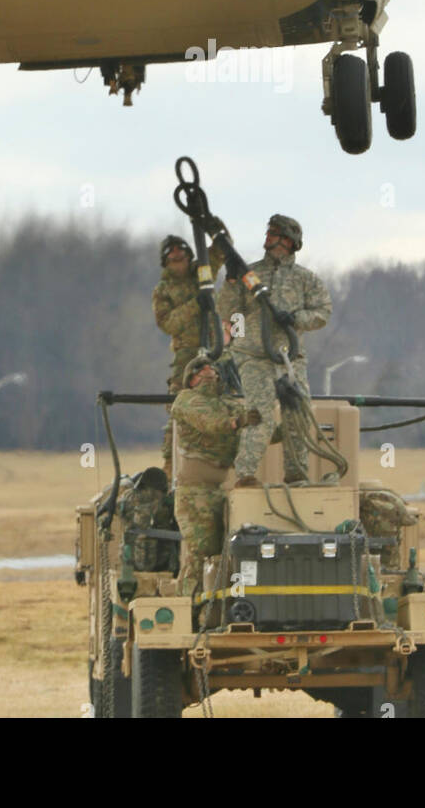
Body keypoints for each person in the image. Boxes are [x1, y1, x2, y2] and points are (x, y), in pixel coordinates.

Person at [218, 214, 331, 487]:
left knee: (297, 415)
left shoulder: (306, 279)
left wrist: (294, 319)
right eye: (267, 232)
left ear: (289, 241)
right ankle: (245, 475)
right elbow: (230, 312)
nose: (267, 238)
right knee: (261, 416)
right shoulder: (250, 275)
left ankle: (296, 475)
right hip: (254, 358)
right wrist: (240, 343)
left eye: (274, 233)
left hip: (290, 358)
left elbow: (322, 313)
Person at [171, 355, 260, 595]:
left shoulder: (228, 404)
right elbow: (210, 422)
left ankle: (215, 605)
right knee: (200, 554)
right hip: (195, 493)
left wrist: (273, 426)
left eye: (213, 369)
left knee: (223, 554)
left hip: (218, 490)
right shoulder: (187, 401)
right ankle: (190, 608)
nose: (210, 373)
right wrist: (238, 421)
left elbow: (255, 430)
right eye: (202, 371)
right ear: (192, 380)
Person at [152, 232, 226, 480]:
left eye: (181, 253)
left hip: (216, 347)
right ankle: (170, 464)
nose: (177, 258)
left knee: (228, 398)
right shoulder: (163, 290)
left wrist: (214, 227)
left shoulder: (202, 273)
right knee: (178, 406)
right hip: (186, 355)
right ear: (166, 262)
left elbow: (222, 250)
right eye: (172, 255)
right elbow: (169, 323)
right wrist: (197, 303)